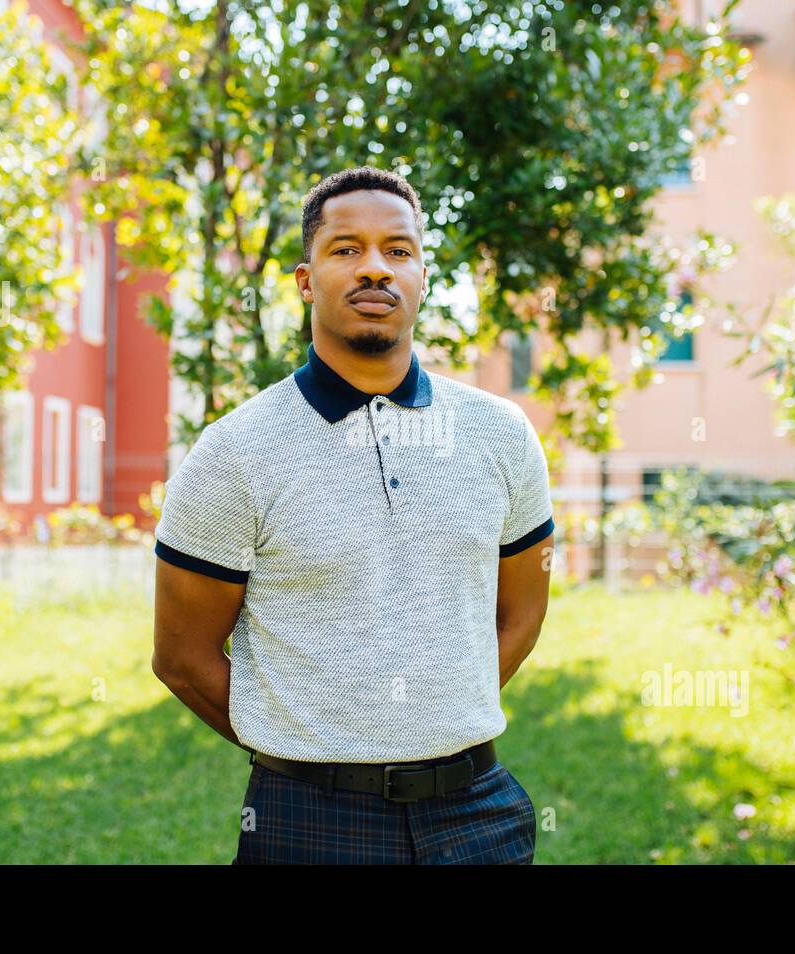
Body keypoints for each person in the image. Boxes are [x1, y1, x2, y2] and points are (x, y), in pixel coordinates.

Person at [151, 166, 554, 864]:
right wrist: (312, 748)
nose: (375, 268)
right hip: (308, 821)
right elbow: (182, 661)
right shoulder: (235, 452)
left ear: (424, 277)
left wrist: (438, 719)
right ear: (307, 280)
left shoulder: (502, 433)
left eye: (398, 250)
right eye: (346, 249)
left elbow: (520, 615)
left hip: (478, 810)